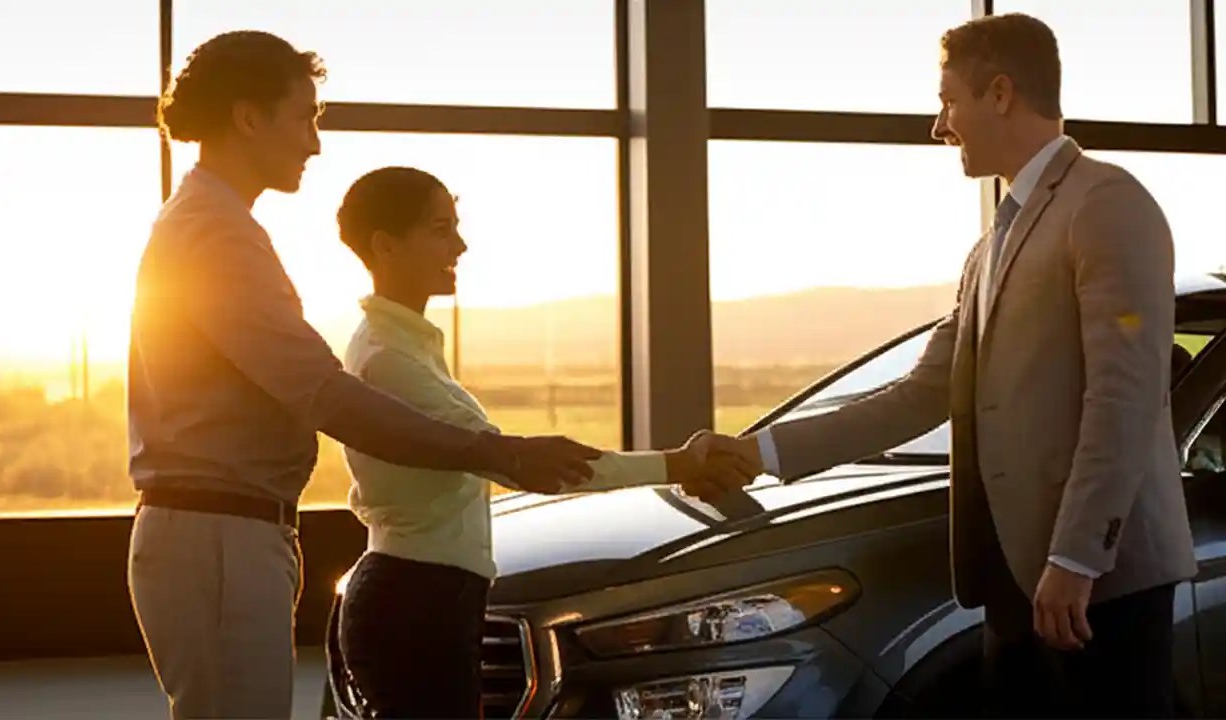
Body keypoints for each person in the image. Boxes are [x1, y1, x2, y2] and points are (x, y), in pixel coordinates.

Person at [699, 13, 1195, 718]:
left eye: (947, 101)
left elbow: (1126, 395)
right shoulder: (989, 248)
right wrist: (761, 451)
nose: (939, 125)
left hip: (1097, 587)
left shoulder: (1107, 205)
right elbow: (916, 395)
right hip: (1014, 587)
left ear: (1000, 94)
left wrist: (1077, 558)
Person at [127, 31, 606, 720]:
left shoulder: (212, 225)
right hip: (219, 542)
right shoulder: (215, 235)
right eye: (305, 116)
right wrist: (494, 453)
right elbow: (323, 392)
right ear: (247, 117)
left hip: (225, 537)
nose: (314, 142)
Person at [330, 166, 758, 719]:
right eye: (441, 230)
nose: (460, 245)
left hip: (428, 598)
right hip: (417, 604)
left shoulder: (404, 348)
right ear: (385, 246)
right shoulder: (389, 362)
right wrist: (677, 464)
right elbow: (530, 465)